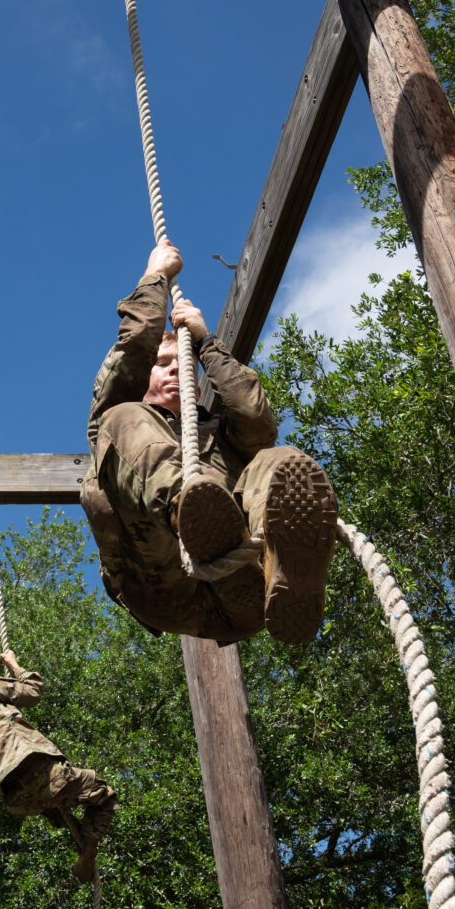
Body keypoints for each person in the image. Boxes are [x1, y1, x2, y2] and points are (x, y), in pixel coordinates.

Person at [80, 238, 339, 645]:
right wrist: (155, 278)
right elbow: (132, 352)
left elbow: (255, 415)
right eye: (161, 365)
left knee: (280, 459)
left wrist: (205, 344)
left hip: (242, 595)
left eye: (179, 366)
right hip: (161, 583)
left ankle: (286, 577)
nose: (171, 372)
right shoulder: (114, 418)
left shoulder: (221, 436)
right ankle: (188, 509)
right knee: (124, 419)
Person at [0, 650, 117, 882]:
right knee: (104, 796)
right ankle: (89, 852)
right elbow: (33, 691)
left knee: (57, 806)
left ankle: (63, 822)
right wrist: (14, 665)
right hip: (36, 768)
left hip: (16, 797)